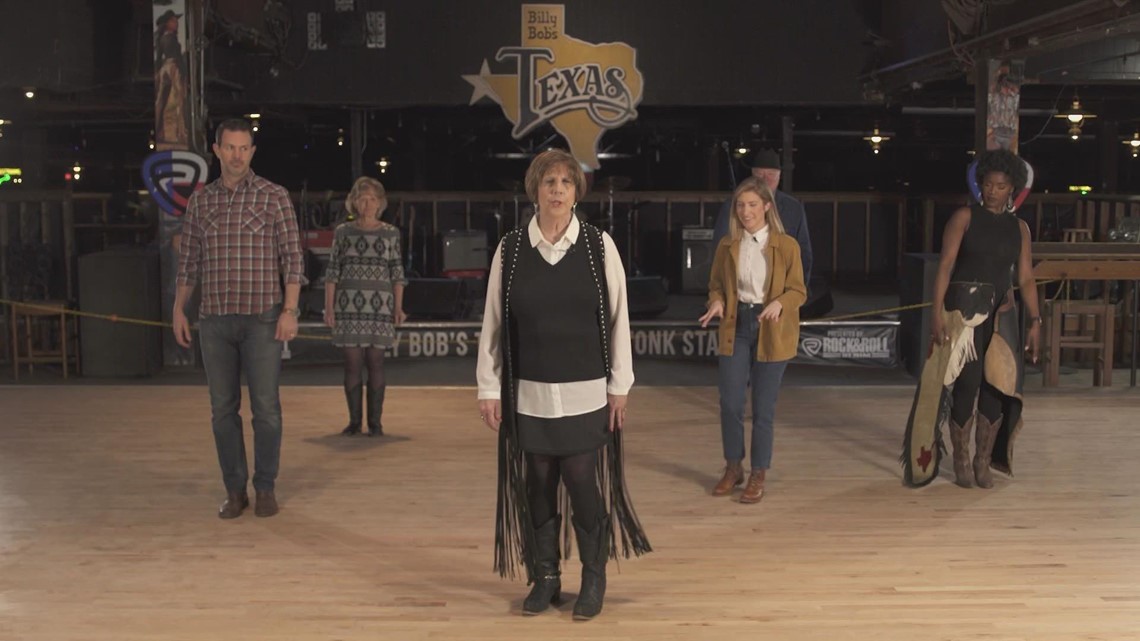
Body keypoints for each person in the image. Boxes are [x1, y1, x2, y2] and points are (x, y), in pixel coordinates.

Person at [476, 149, 650, 620]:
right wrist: (489, 388)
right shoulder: (510, 249)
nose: (557, 190)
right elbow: (493, 325)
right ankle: (546, 576)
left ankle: (593, 576)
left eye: (565, 182)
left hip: (587, 392)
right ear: (535, 189)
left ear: (577, 191)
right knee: (537, 483)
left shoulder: (599, 247)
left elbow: (619, 322)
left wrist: (621, 385)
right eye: (549, 181)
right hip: (529, 392)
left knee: (580, 481)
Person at [173, 118, 305, 519]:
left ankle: (265, 487)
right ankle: (235, 490)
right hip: (213, 320)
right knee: (222, 411)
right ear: (216, 150)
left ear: (252, 151)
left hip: (263, 319)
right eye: (229, 148)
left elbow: (293, 258)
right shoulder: (201, 201)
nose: (236, 155)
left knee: (266, 409)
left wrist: (290, 310)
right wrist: (179, 308)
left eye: (243, 148)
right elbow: (189, 261)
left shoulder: (273, 196)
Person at [901, 149, 1042, 489]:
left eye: (1001, 186)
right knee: (968, 382)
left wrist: (1036, 320)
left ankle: (983, 460)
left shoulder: (1019, 229)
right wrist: (936, 313)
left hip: (1001, 315)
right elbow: (945, 266)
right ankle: (962, 458)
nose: (993, 191)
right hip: (964, 313)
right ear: (981, 184)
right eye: (989, 184)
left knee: (997, 385)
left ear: (1012, 189)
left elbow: (1024, 277)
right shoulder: (964, 218)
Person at [699, 177, 807, 504]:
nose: (746, 212)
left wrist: (779, 303)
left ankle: (759, 472)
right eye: (741, 205)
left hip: (771, 328)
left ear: (767, 207)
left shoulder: (786, 246)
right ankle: (734, 467)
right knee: (730, 403)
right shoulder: (728, 245)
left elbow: (798, 291)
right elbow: (716, 286)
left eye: (752, 205)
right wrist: (716, 302)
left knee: (763, 409)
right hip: (737, 326)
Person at [323, 177, 407, 436]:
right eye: (362, 198)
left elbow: (397, 272)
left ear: (380, 203)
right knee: (351, 363)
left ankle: (376, 423)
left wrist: (398, 308)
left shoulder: (390, 233)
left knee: (376, 362)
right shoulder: (342, 233)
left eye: (372, 199)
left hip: (380, 307)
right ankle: (354, 421)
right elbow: (332, 272)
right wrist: (329, 308)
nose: (367, 203)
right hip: (348, 307)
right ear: (354, 202)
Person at [713, 149, 813, 290]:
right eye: (760, 174)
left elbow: (805, 253)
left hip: (782, 290)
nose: (765, 179)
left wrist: (796, 293)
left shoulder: (793, 208)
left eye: (771, 174)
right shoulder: (733, 206)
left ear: (779, 176)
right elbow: (720, 250)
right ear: (752, 175)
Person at [154, 9, 189, 148]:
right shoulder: (171, 38)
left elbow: (158, 58)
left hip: (165, 67)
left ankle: (160, 131)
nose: (176, 24)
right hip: (174, 66)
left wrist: (158, 71)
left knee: (161, 101)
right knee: (179, 100)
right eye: (174, 21)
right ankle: (179, 133)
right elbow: (178, 58)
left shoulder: (161, 39)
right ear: (168, 23)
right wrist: (184, 73)